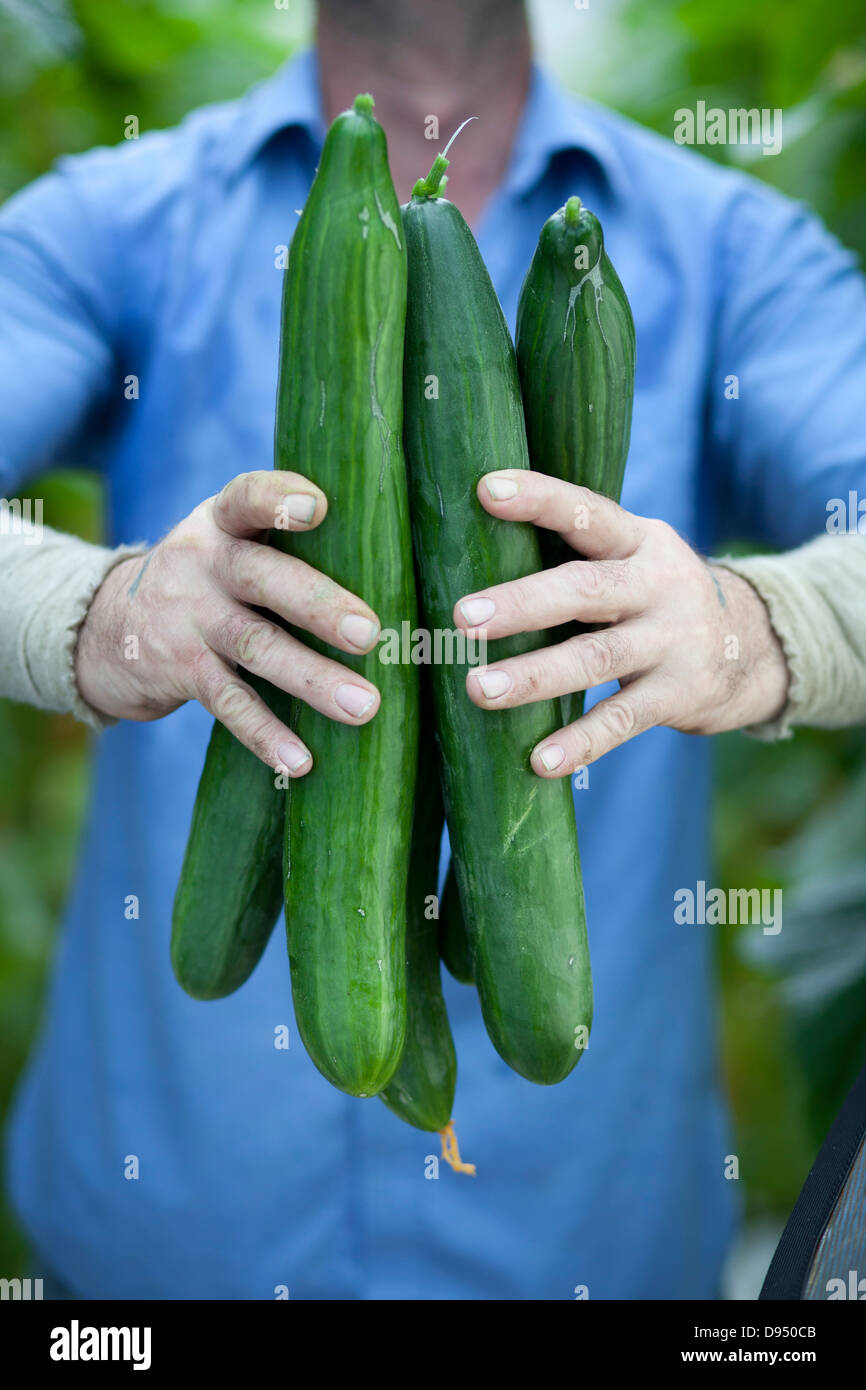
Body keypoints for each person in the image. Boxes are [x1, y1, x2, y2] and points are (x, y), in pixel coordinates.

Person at [1, 0, 865, 1300]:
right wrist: (91, 608)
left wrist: (762, 630)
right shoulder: (117, 220)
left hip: (587, 1258)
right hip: (150, 1272)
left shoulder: (731, 253)